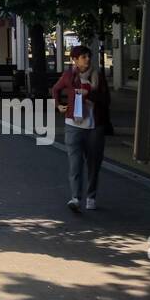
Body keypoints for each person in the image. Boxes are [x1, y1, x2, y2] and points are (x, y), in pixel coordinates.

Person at [52, 45, 110, 213]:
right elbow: (55, 89)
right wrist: (58, 105)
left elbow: (106, 100)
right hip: (73, 126)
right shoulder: (69, 75)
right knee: (75, 164)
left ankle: (91, 196)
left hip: (94, 127)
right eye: (83, 57)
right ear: (75, 60)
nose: (87, 59)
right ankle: (76, 198)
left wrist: (89, 94)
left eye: (88, 56)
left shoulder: (98, 76)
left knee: (93, 164)